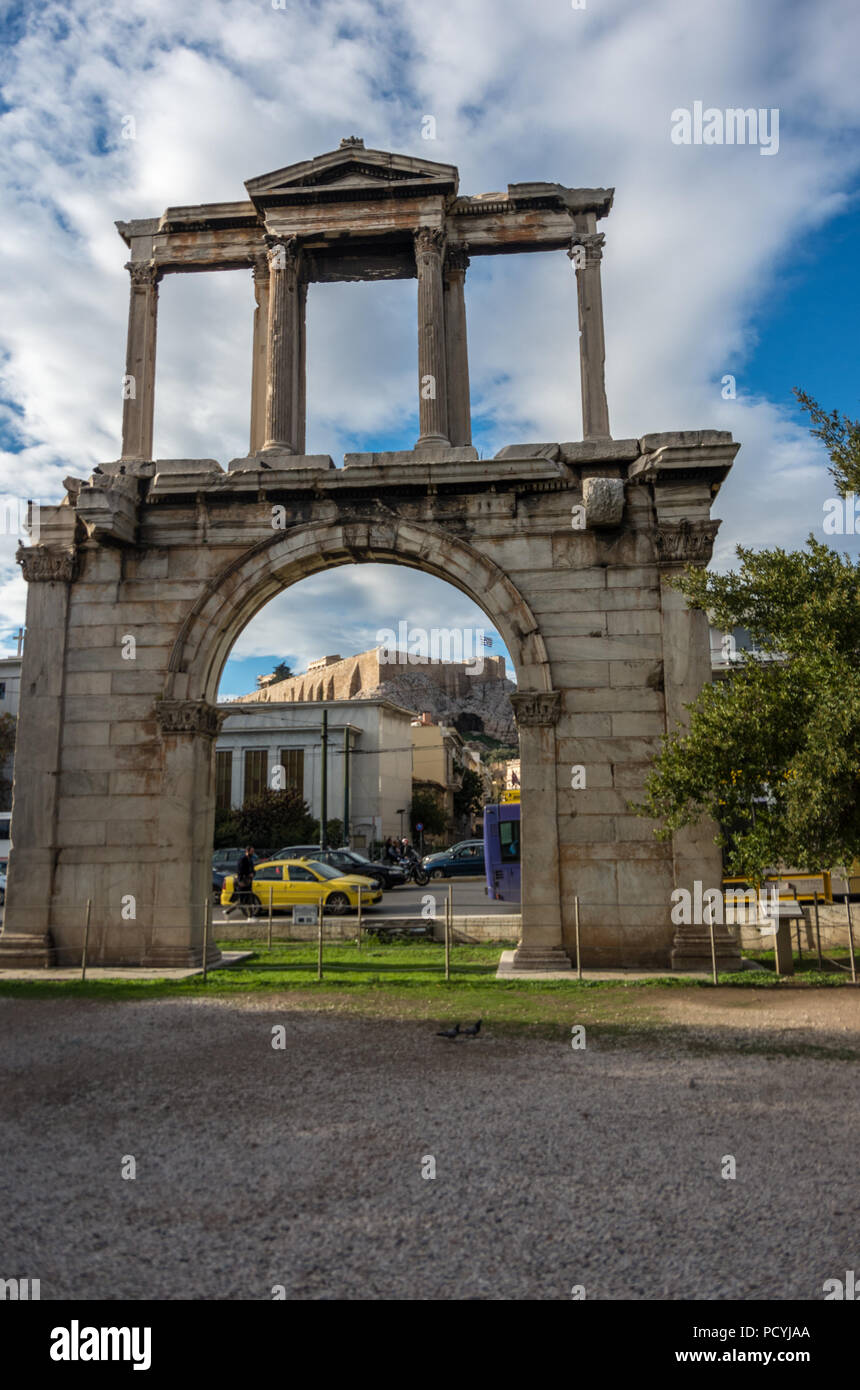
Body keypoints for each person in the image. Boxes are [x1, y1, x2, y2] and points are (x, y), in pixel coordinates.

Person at [227, 845, 256, 917]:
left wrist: (253, 874)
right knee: (243, 900)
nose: (253, 853)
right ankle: (228, 912)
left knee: (248, 899)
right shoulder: (242, 860)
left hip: (248, 882)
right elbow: (240, 871)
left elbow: (253, 870)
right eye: (251, 851)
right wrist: (248, 875)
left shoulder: (250, 860)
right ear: (247, 851)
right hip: (243, 883)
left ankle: (250, 916)